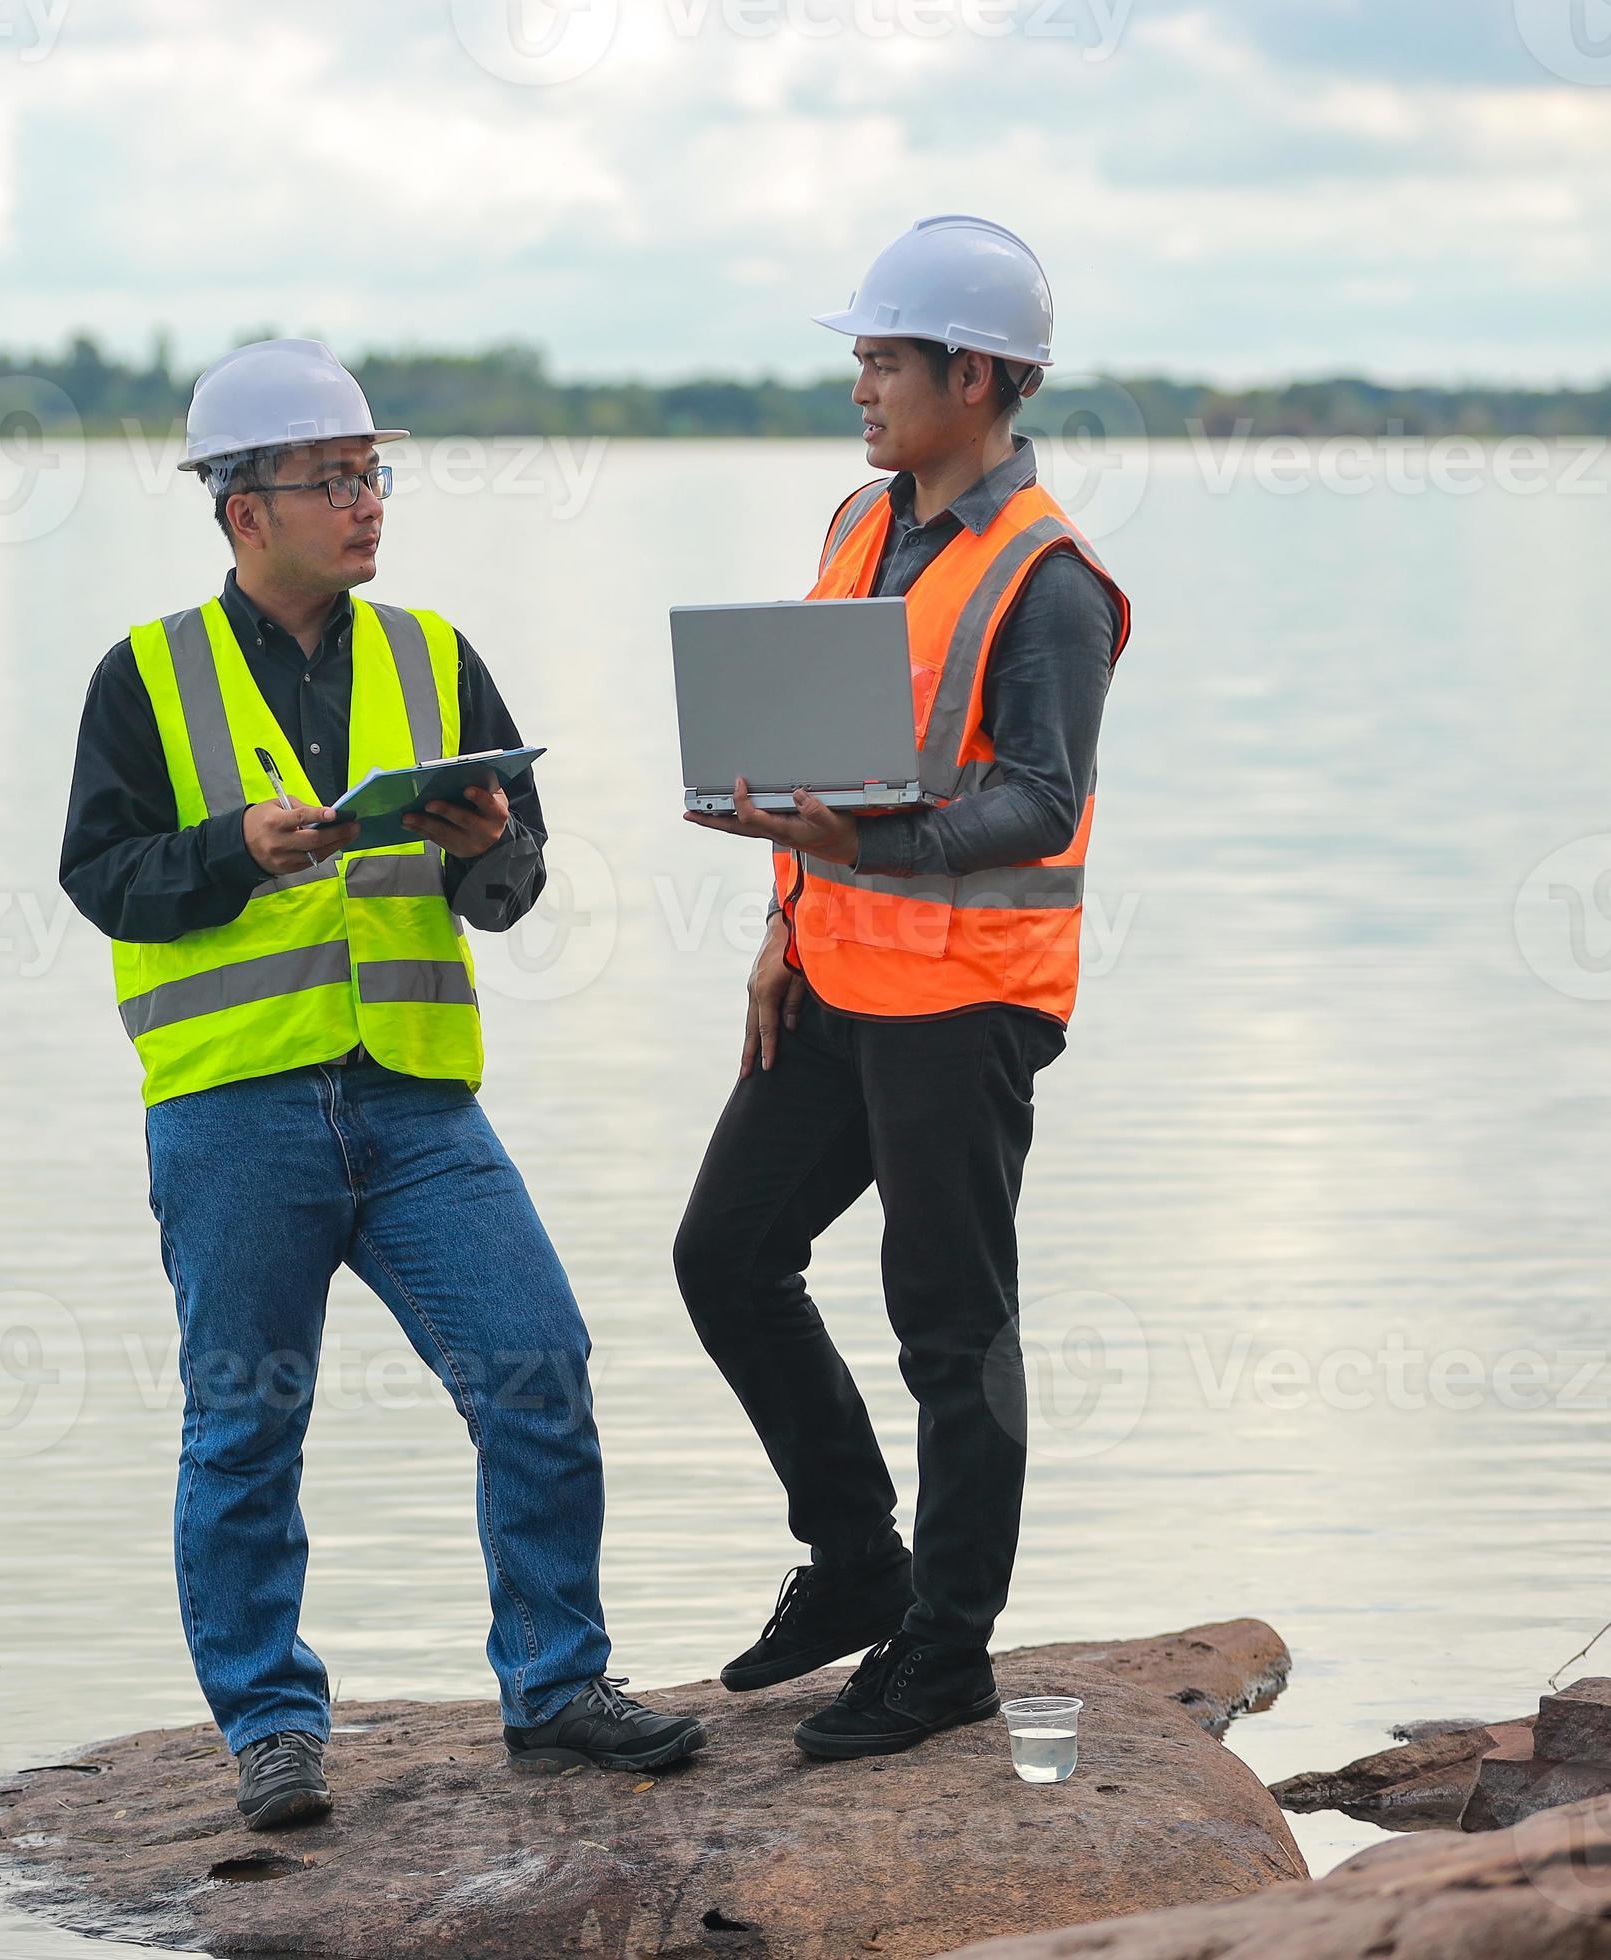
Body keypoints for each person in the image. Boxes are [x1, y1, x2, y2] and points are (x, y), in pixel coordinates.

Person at [58, 338, 705, 1832]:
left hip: (418, 1103)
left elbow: (511, 880)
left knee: (536, 1368)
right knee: (244, 1423)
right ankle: (271, 1729)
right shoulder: (143, 676)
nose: (367, 503)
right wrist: (237, 850)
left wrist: (490, 856)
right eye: (334, 479)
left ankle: (555, 1688)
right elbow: (102, 880)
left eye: (373, 474)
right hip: (234, 1111)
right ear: (241, 506)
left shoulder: (434, 654)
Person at [672, 218, 1132, 1760]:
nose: (860, 384)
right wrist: (780, 920)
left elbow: (1041, 802)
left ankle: (948, 1653)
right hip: (833, 976)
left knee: (949, 1324)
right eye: (861, 357)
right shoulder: (861, 528)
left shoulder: (1050, 579)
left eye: (883, 359)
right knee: (726, 1256)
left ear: (977, 375)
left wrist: (881, 842)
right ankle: (858, 1555)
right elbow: (833, 755)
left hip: (967, 996)